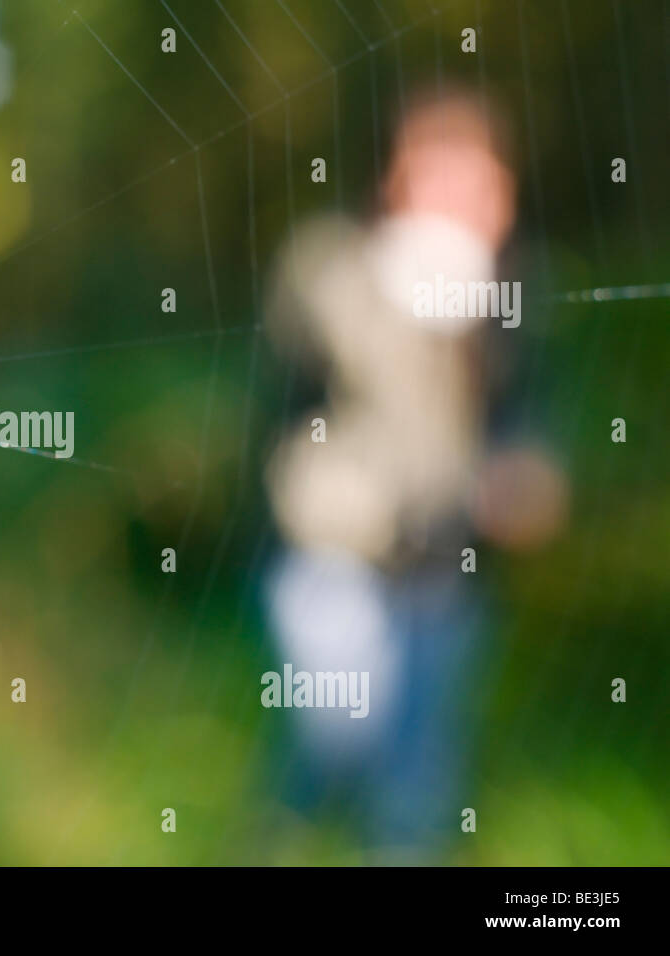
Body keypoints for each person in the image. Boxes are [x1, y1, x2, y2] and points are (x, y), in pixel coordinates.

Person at [261, 87, 568, 857]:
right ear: (394, 182)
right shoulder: (333, 264)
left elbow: (521, 423)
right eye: (438, 180)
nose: (459, 204)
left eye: (480, 184)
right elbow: (289, 386)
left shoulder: (509, 293)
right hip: (335, 557)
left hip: (446, 568)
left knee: (420, 777)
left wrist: (526, 483)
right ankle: (279, 839)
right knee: (339, 730)